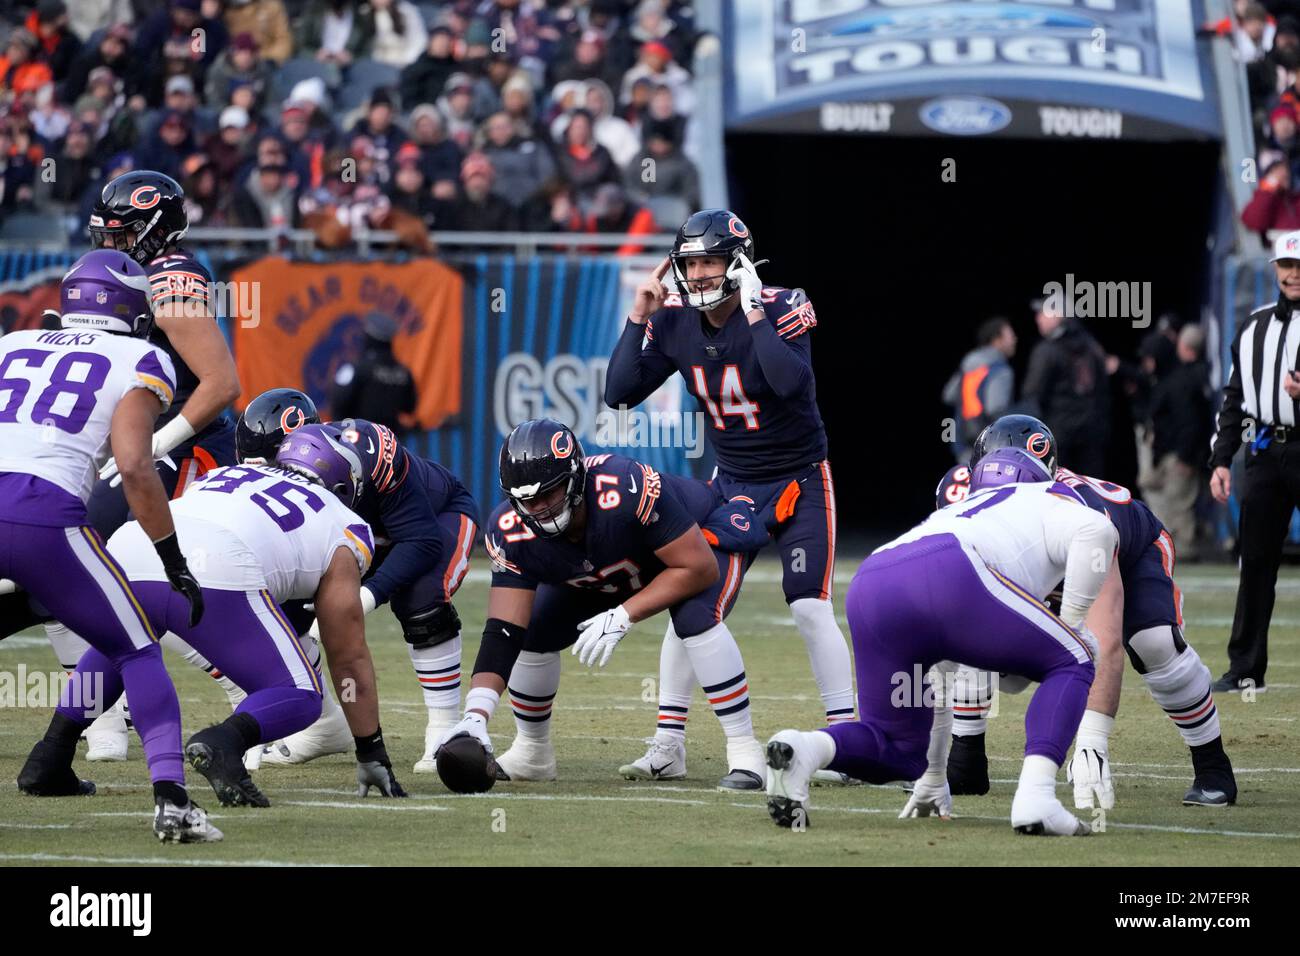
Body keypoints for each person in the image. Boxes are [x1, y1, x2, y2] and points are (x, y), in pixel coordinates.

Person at [604, 209, 856, 780]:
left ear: (738, 263)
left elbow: (791, 384)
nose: (697, 274)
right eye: (689, 262)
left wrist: (754, 313)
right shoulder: (670, 322)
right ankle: (668, 745)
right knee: (689, 600)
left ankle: (846, 737)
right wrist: (636, 316)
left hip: (798, 478)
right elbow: (619, 393)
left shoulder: (782, 304)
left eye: (709, 261)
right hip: (735, 483)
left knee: (810, 606)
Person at [764, 447, 1116, 835]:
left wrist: (933, 777)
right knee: (1077, 655)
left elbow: (943, 674)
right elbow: (1097, 529)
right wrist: (1071, 623)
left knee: (898, 749)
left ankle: (801, 749)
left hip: (874, 580)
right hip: (952, 570)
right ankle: (1037, 799)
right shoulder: (1048, 498)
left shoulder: (964, 513)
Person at [3, 250, 214, 843]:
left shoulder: (12, 343)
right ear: (131, 305)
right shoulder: (142, 356)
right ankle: (172, 800)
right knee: (137, 649)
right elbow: (135, 466)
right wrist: (172, 560)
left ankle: (51, 762)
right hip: (47, 516)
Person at [438, 420, 773, 789]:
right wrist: (476, 714)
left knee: (694, 616)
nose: (540, 509)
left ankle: (744, 751)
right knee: (532, 630)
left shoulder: (624, 486)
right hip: (610, 570)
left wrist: (624, 615)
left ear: (576, 477)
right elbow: (503, 631)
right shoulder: (510, 528)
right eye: (527, 500)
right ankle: (532, 752)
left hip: (700, 539)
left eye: (550, 493)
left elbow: (698, 568)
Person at [89, 427, 406, 807]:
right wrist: (370, 749)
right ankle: (224, 741)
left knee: (124, 647)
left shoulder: (227, 473)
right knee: (302, 692)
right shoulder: (345, 523)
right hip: (216, 566)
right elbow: (347, 655)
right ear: (341, 484)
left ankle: (51, 752)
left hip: (133, 542)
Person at [942, 416, 1237, 808]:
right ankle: (966, 759)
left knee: (1153, 643)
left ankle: (1213, 765)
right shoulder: (961, 501)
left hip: (1132, 554)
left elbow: (1105, 639)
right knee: (967, 620)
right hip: (1048, 566)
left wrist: (1092, 741)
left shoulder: (1083, 520)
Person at [52, 169, 242, 761]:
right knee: (65, 567)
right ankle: (103, 715)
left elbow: (221, 383)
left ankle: (253, 683)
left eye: (120, 232)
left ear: (152, 229)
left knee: (98, 564)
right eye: (103, 233)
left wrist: (161, 444)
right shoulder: (130, 273)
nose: (108, 245)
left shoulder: (169, 272)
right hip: (134, 446)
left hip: (181, 445)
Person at [257, 418, 480, 775]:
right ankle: (325, 725)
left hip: (434, 518)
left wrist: (362, 598)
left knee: (420, 598)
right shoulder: (285, 474)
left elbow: (422, 541)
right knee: (286, 611)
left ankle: (443, 728)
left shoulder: (379, 460)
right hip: (364, 538)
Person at [1208, 229, 1300, 694]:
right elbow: (1234, 397)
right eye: (1287, 265)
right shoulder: (1253, 326)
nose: (1294, 274)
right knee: (1256, 561)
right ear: (1276, 269)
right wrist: (1221, 459)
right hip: (1266, 452)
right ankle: (1245, 668)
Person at [1143, 324, 1214, 559]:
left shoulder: (1181, 381)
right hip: (1177, 452)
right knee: (1172, 503)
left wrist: (1185, 455)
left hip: (1179, 454)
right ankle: (1178, 549)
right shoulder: (1195, 376)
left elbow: (1189, 423)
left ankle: (1185, 552)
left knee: (1180, 505)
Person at [1021, 297, 1111, 477]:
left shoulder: (1046, 350)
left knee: (1057, 494)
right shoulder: (1093, 347)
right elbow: (1105, 391)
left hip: (1057, 441)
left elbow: (1032, 396)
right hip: (1092, 437)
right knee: (1089, 494)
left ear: (1059, 315)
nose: (1038, 318)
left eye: (1042, 313)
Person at [941, 316, 1017, 461]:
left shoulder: (968, 364)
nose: (1014, 339)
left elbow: (948, 395)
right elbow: (995, 409)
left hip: (963, 445)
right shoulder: (1000, 369)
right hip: (990, 449)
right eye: (1010, 335)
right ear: (996, 340)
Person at [330, 311, 417, 437]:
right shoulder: (403, 372)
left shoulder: (356, 368)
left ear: (368, 337)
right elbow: (409, 407)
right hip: (390, 443)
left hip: (357, 441)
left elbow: (338, 401)